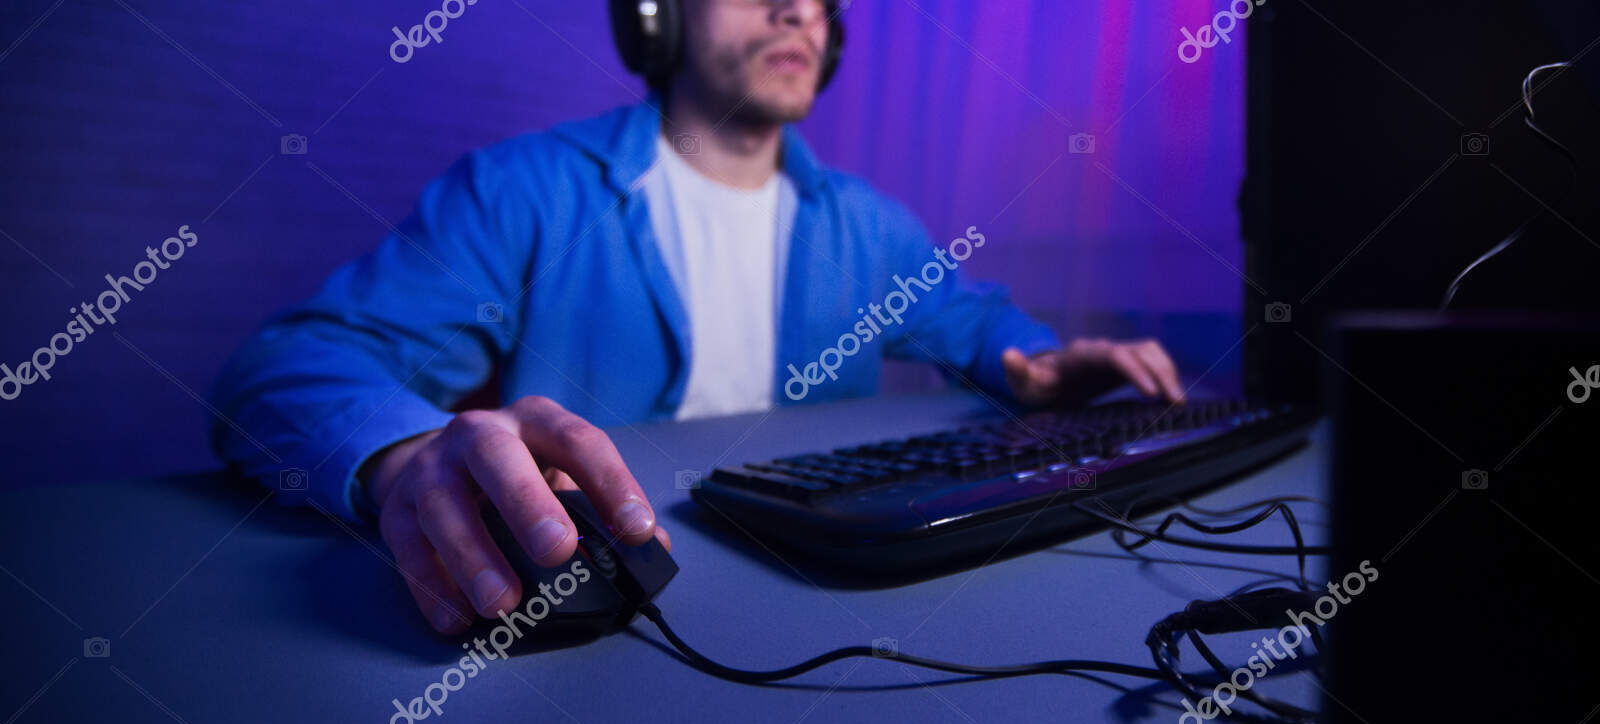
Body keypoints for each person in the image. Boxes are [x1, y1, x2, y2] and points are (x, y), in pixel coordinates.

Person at [211, 0, 1185, 636]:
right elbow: (289, 362)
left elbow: (970, 318)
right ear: (655, 19)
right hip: (623, 610)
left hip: (823, 616)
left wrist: (1038, 365)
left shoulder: (868, 223)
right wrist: (401, 457)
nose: (797, 8)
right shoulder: (521, 191)